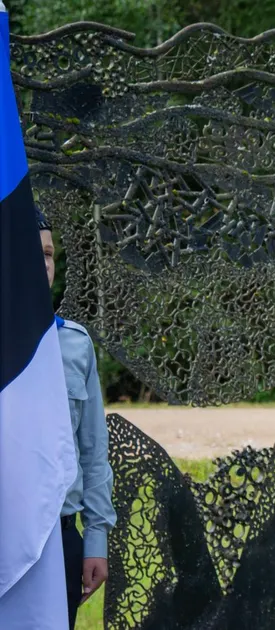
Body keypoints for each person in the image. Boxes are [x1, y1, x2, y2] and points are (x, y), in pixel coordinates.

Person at [40, 214, 116, 629]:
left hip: (60, 539)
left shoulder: (74, 344)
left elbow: (93, 452)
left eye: (48, 254)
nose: (43, 265)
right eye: (30, 255)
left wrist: (96, 539)